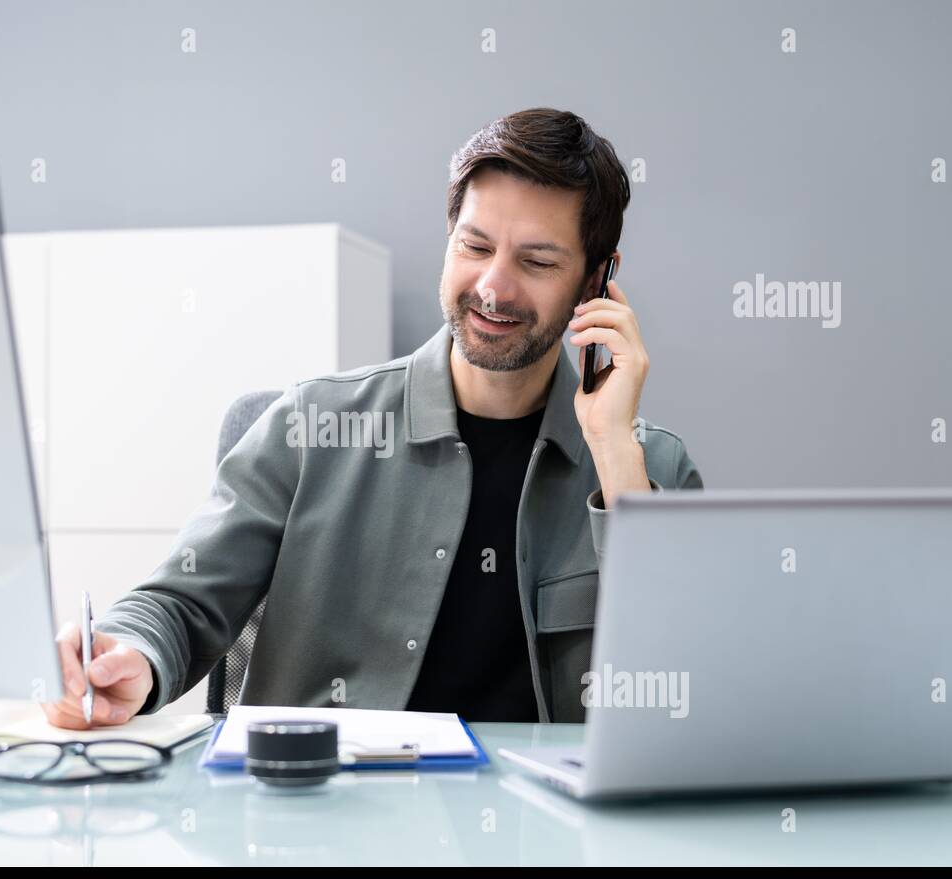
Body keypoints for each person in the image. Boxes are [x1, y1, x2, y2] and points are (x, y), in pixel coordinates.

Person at [44, 107, 702, 729]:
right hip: (320, 824)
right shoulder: (310, 425)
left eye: (536, 262)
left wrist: (614, 451)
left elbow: (683, 685)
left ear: (596, 282)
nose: (494, 287)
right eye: (475, 246)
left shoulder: (649, 466)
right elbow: (182, 600)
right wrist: (128, 656)